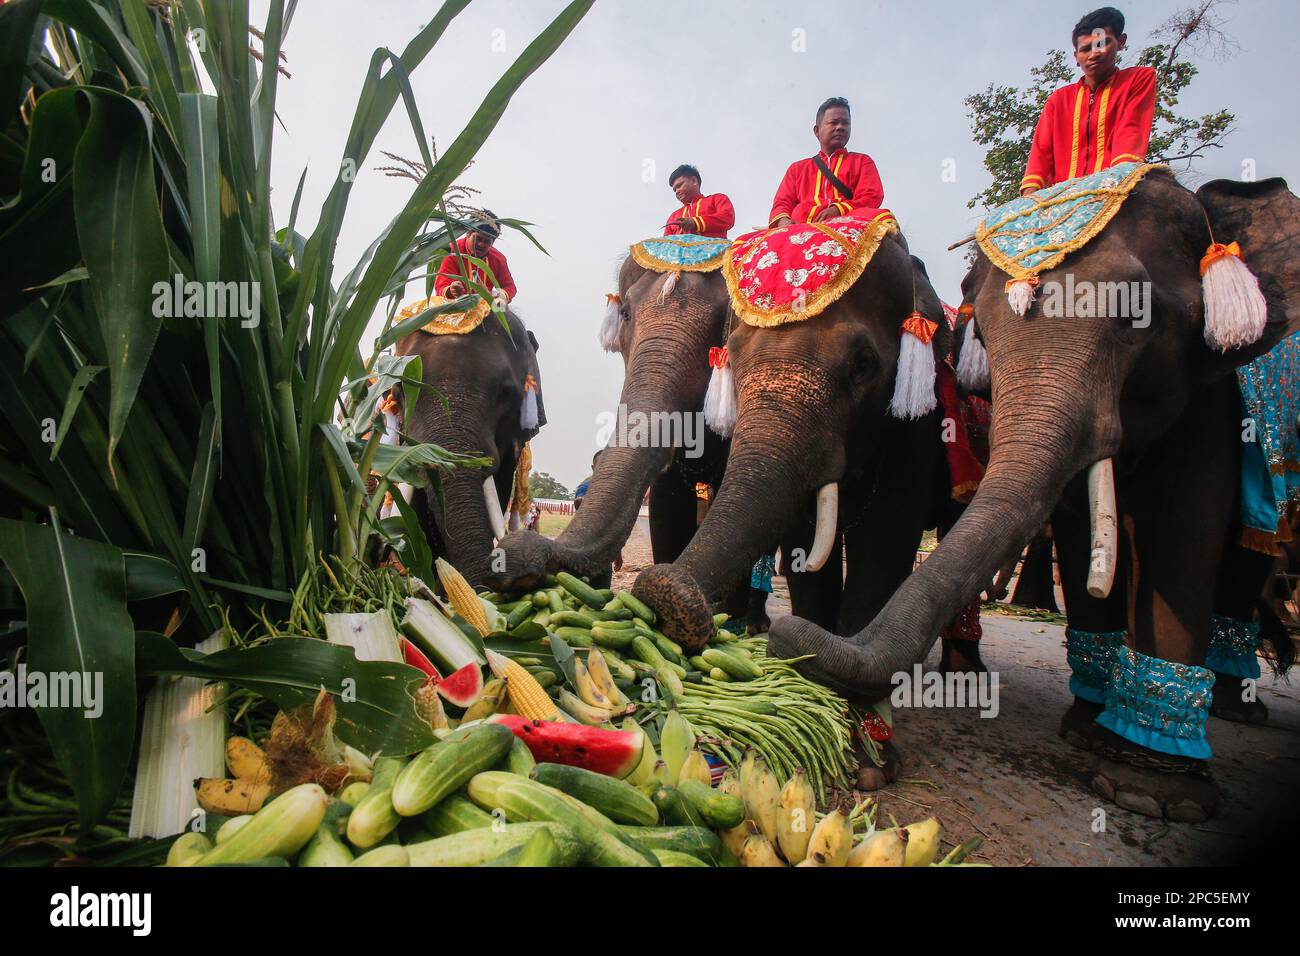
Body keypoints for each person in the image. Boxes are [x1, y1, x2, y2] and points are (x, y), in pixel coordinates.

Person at [1020, 7, 1157, 196]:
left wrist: (1119, 180)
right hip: (1062, 196)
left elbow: (1131, 129)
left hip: (1115, 185)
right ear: (1076, 57)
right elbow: (1041, 151)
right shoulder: (1058, 100)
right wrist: (1028, 198)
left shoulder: (1138, 78)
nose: (1094, 54)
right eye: (1085, 49)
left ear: (1121, 42)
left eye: (1102, 44)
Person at [768, 97, 884, 228]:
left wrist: (838, 209)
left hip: (849, 219)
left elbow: (871, 196)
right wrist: (783, 220)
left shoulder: (862, 161)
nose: (840, 127)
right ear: (817, 131)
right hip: (801, 224)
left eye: (845, 123)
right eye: (834, 123)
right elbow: (782, 203)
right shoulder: (797, 169)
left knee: (882, 218)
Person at [434, 210, 518, 302]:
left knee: (501, 308)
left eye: (487, 241)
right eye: (478, 238)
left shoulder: (499, 259)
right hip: (454, 305)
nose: (481, 244)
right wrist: (451, 290)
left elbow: (509, 287)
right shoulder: (451, 251)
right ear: (468, 233)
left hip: (484, 307)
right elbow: (441, 284)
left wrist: (498, 295)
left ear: (493, 242)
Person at [663, 165, 735, 239]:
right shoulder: (673, 216)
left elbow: (727, 218)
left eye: (679, 186)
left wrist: (695, 222)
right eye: (674, 190)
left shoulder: (717, 199)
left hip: (717, 250)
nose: (677, 191)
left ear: (694, 181)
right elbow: (665, 244)